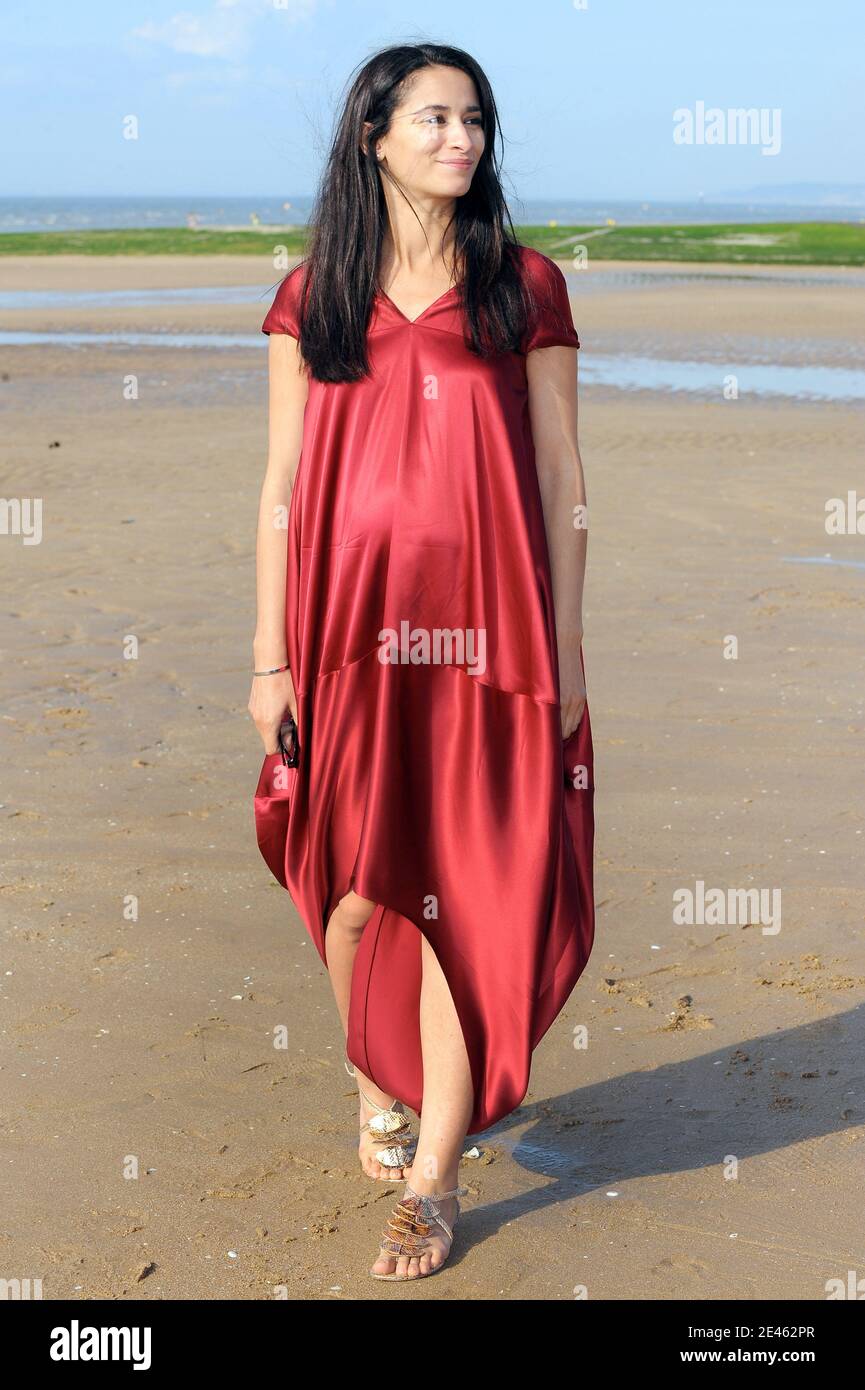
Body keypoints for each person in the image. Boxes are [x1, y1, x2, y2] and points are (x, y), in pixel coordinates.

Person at [249, 41, 594, 1283]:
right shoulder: (313, 297)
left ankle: (436, 1182)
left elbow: (560, 478)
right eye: (436, 118)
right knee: (352, 892)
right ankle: (373, 1075)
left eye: (476, 120)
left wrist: (563, 647)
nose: (463, 138)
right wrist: (268, 658)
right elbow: (284, 487)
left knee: (468, 900)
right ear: (374, 136)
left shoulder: (524, 287)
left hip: (492, 648)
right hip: (348, 645)